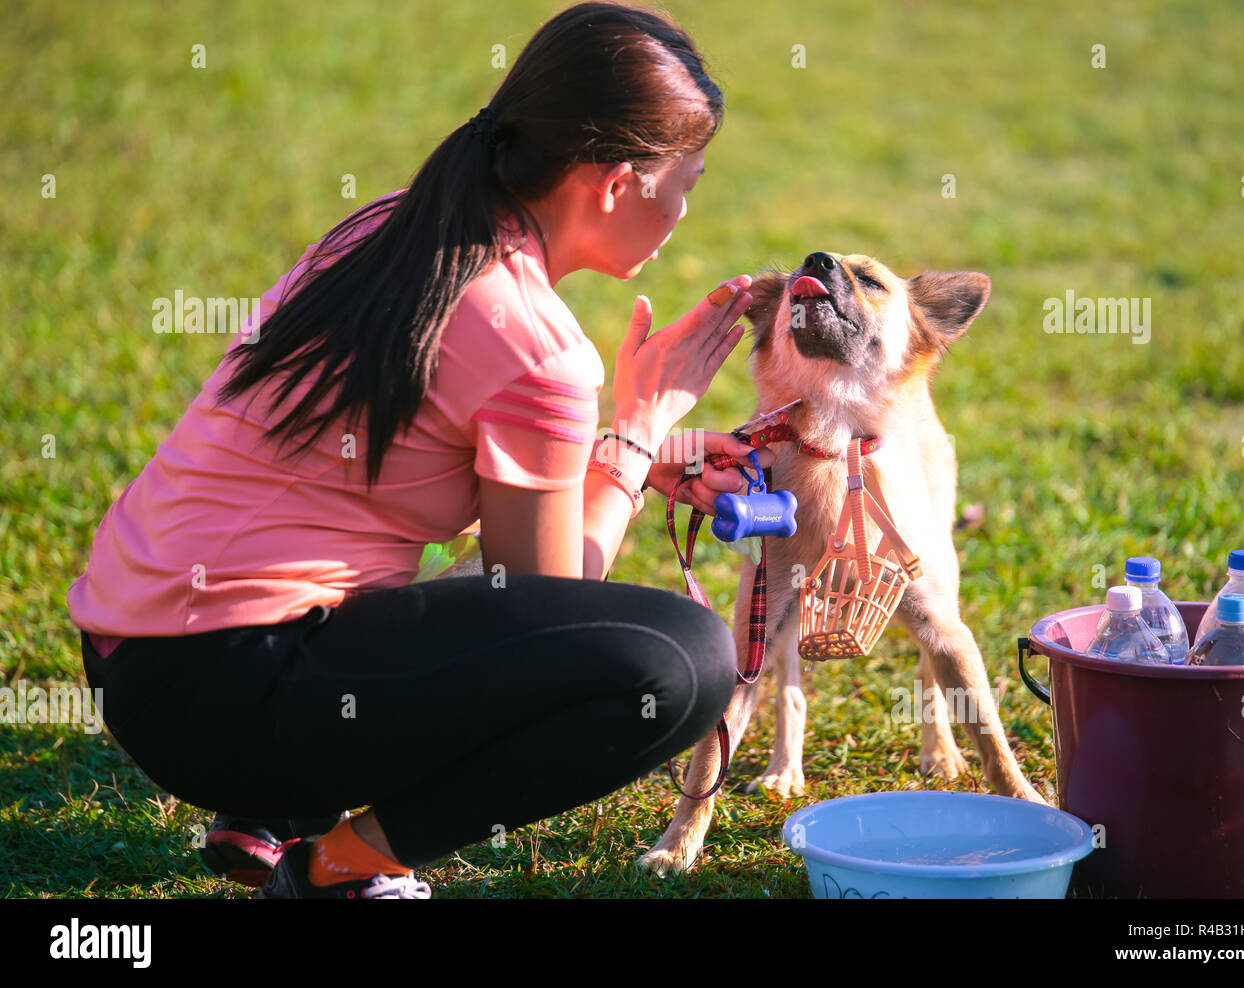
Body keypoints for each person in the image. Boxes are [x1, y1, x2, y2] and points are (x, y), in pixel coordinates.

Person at [67, 1, 774, 899]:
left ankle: (278, 808)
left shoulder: (390, 229)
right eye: (689, 180)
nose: (684, 210)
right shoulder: (543, 349)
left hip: (139, 651)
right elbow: (559, 611)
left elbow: (392, 452)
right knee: (682, 661)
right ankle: (342, 868)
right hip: (232, 699)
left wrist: (614, 451)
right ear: (613, 183)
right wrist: (635, 433)